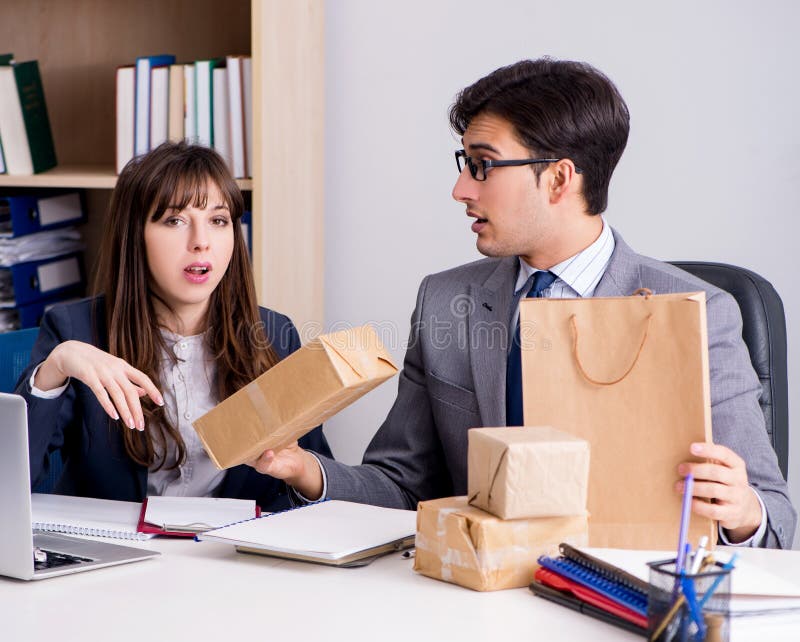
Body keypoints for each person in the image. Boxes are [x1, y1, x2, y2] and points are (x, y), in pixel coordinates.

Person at [255, 58, 795, 547]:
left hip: (629, 595)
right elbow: (403, 486)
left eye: (483, 166)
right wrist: (308, 471)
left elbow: (776, 520)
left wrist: (742, 511)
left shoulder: (699, 310)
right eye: (463, 163)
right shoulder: (446, 301)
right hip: (481, 592)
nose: (461, 189)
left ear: (559, 178)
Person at [16, 142, 331, 512]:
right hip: (113, 557)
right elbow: (11, 481)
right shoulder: (76, 330)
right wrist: (56, 367)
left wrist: (304, 474)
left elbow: (312, 487)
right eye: (175, 220)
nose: (201, 243)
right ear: (135, 235)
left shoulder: (275, 334)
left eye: (218, 220)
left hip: (234, 558)